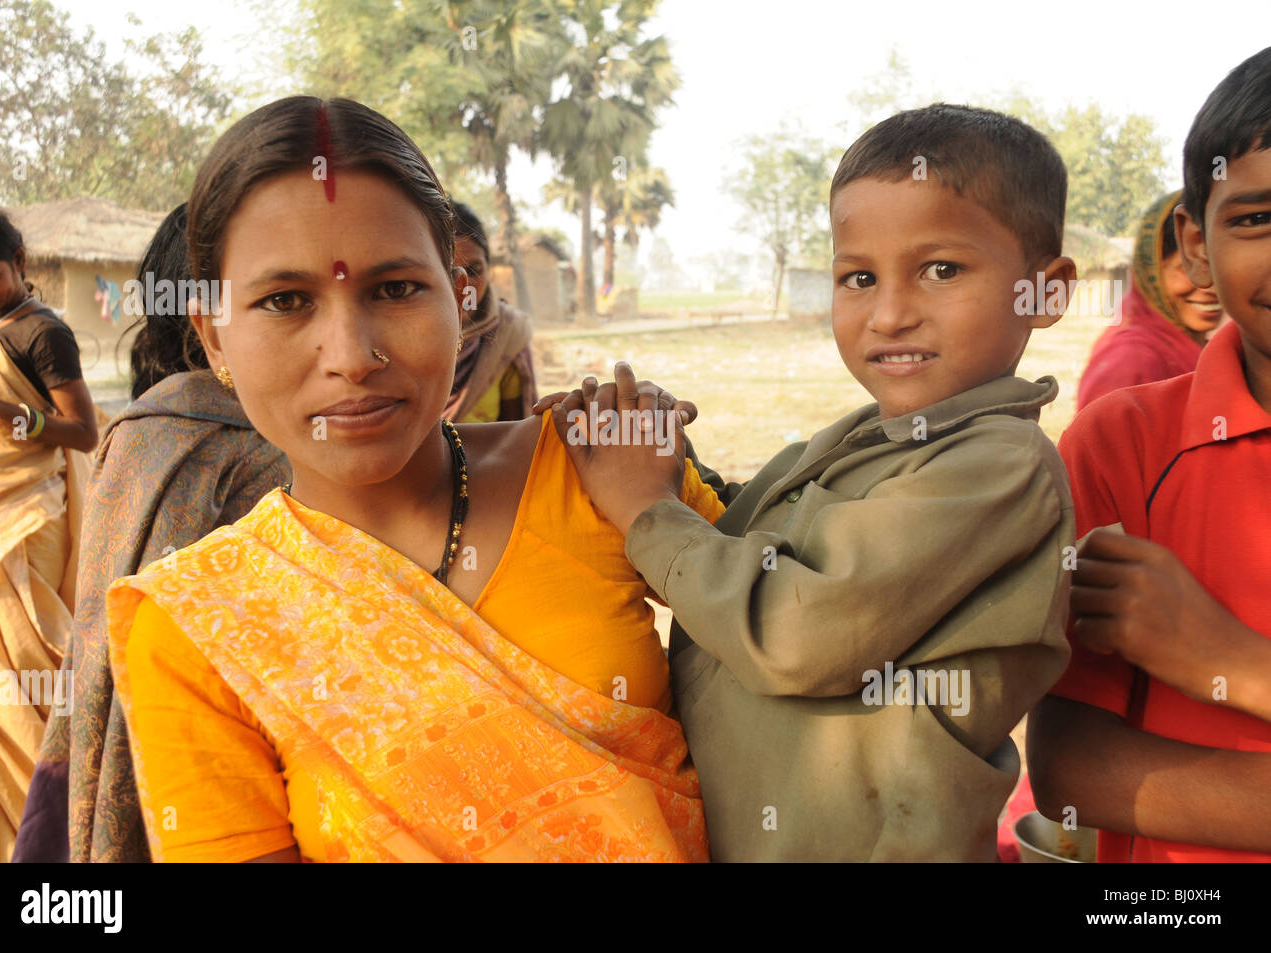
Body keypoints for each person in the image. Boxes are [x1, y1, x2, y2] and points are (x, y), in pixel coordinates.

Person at [105, 97, 718, 862]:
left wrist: (656, 507)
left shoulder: (597, 469)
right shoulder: (201, 625)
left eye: (394, 289)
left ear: (461, 301)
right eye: (286, 301)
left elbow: (807, 650)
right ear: (214, 337)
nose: (352, 354)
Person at [539, 104, 1077, 861]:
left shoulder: (1001, 466)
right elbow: (736, 550)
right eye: (859, 277)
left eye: (941, 270)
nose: (889, 313)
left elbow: (798, 631)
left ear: (1045, 292)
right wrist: (659, 459)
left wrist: (645, 507)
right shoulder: (848, 443)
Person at [1028, 46, 1271, 862]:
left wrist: (1230, 661)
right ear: (1194, 242)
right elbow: (1070, 766)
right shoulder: (1124, 446)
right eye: (1257, 218)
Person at [11, 204, 289, 863]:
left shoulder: (335, 435)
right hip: (201, 768)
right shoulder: (165, 436)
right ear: (209, 322)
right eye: (284, 298)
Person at [0, 203, 98, 861]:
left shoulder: (43, 333)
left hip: (28, 517)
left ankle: (50, 827)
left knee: (26, 665)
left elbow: (83, 431)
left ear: (19, 263)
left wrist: (4, 413)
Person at [1076, 190, 1223, 409]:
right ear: (1150, 272)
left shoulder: (1199, 349)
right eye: (1186, 268)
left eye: (1221, 266)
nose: (1210, 285)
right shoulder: (1131, 365)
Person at [444, 202, 537, 422]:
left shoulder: (508, 334)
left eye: (474, 272)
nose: (463, 289)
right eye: (448, 273)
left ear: (488, 269)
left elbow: (512, 435)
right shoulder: (394, 339)